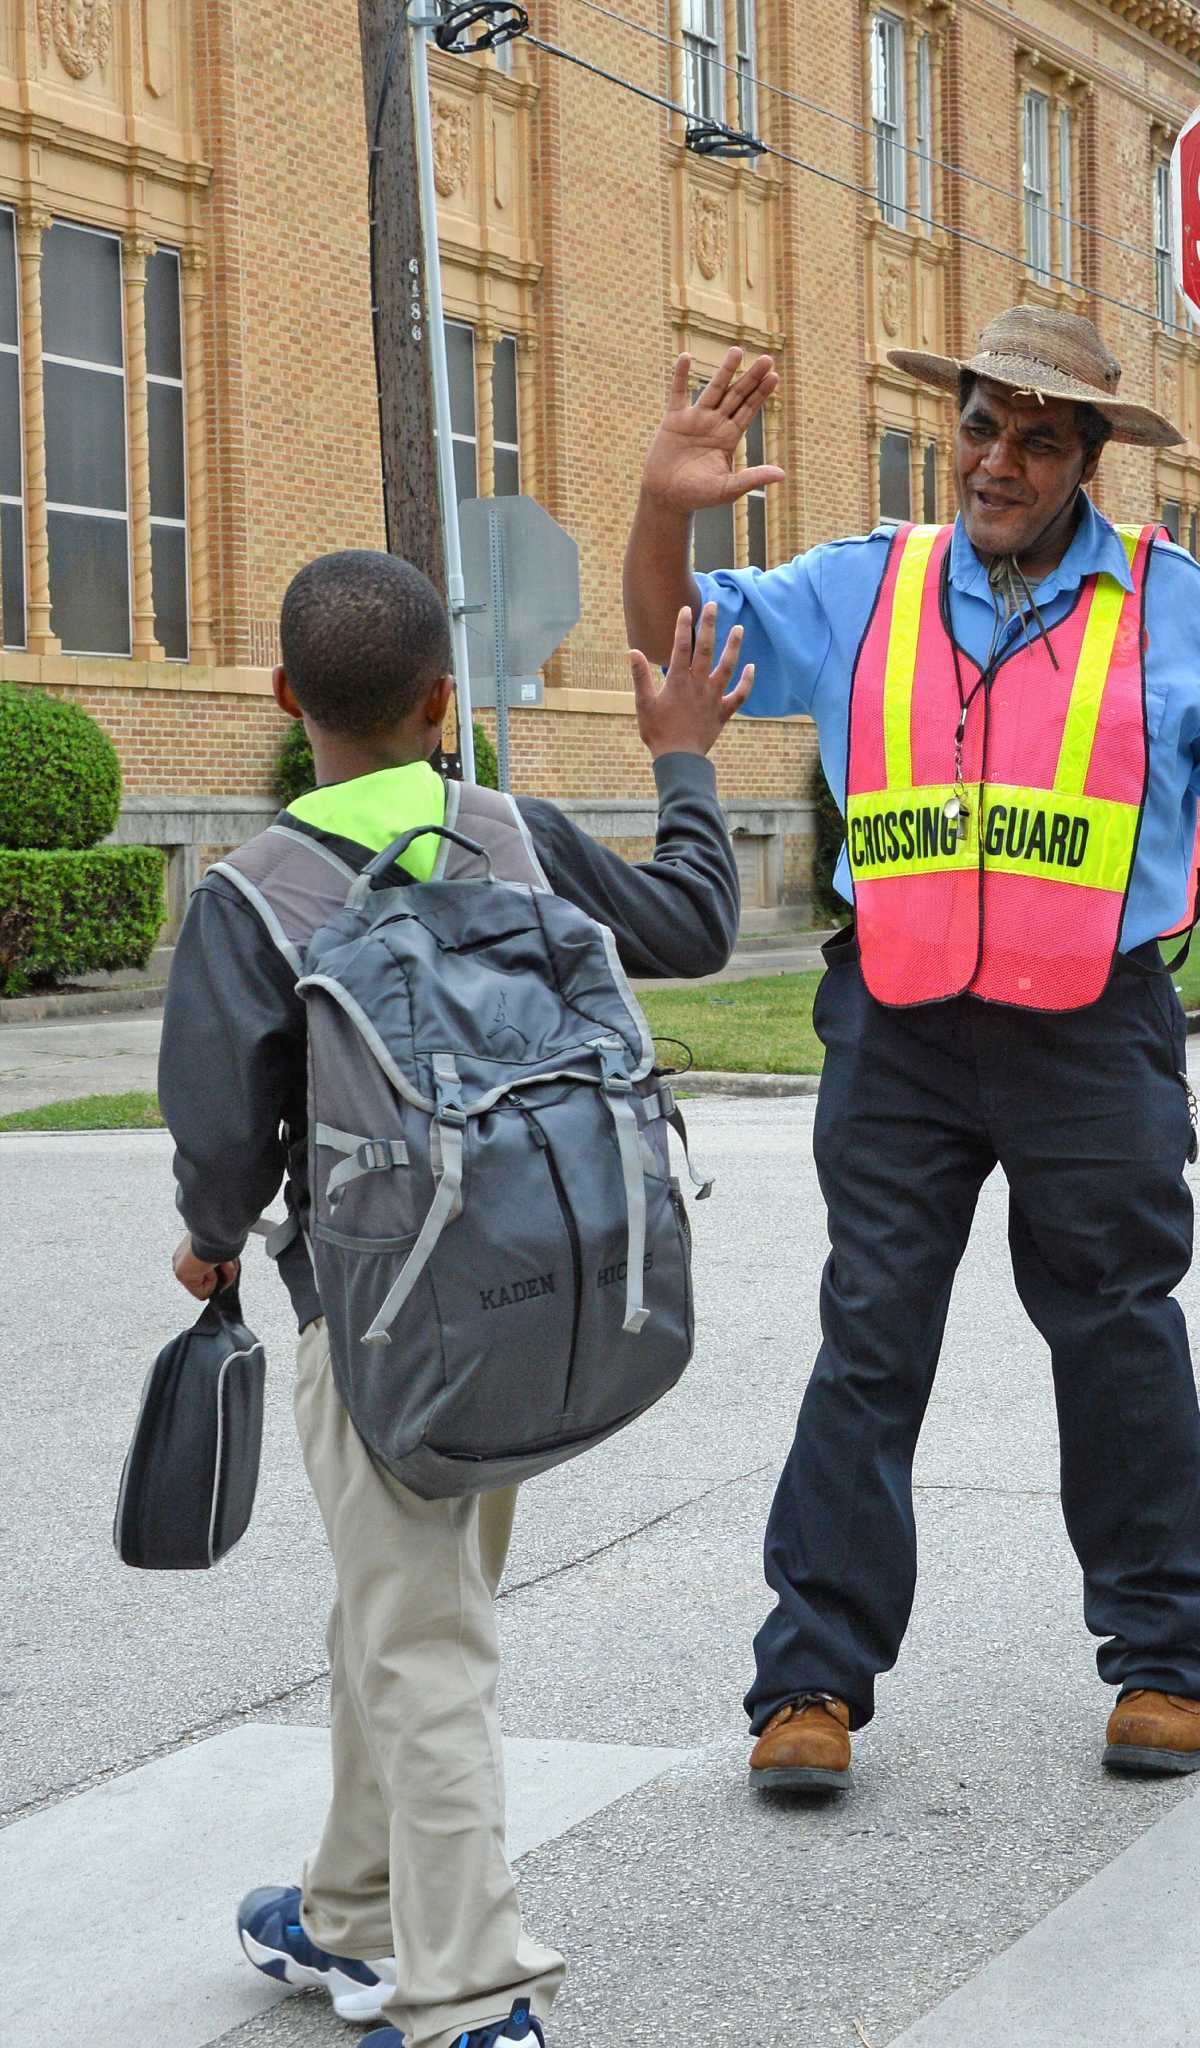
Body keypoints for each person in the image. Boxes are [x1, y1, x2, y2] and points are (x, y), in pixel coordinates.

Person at [624, 305, 1200, 1792]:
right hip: (900, 1025)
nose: (995, 459)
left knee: (1116, 1333)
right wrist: (663, 507)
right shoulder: (869, 584)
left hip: (1092, 1032)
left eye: (1037, 439)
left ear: (1088, 462)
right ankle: (809, 1683)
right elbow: (679, 644)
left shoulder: (1168, 607)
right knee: (869, 1338)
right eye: (982, 424)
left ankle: (1168, 1659)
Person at [159, 551, 748, 2047]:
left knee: (420, 1629)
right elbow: (693, 926)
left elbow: (221, 1131)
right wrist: (681, 758)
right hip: (543, 1278)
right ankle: (354, 1910)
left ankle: (474, 1994)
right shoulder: (514, 832)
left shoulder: (251, 893)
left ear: (293, 705)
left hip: (374, 1320)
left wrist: (209, 1240)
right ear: (442, 701)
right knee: (410, 1595)